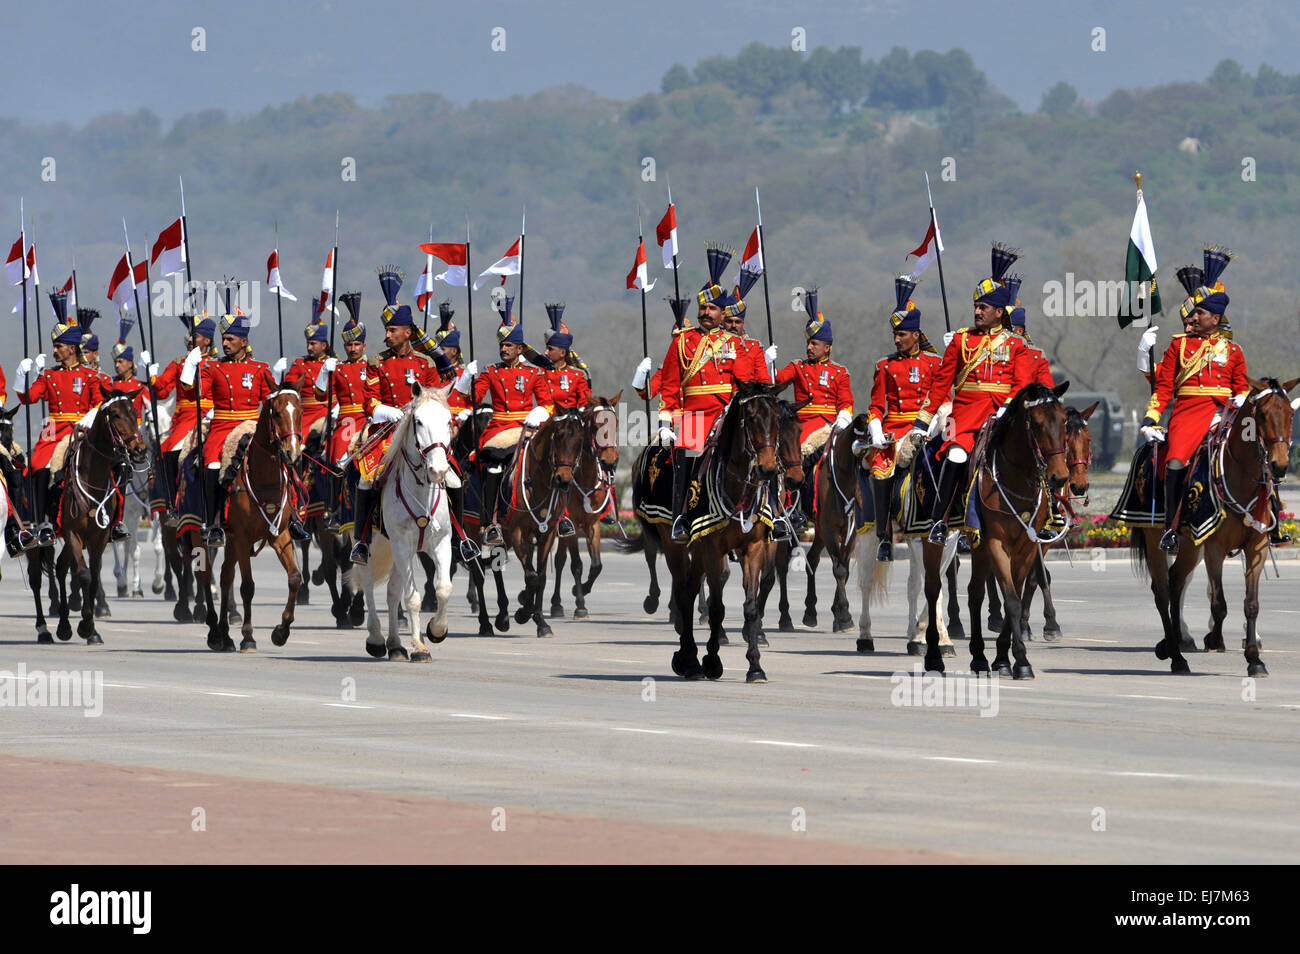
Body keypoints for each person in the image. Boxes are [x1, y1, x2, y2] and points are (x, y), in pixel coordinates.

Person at [913, 243, 1035, 546]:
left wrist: (1008, 406)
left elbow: (1021, 383)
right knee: (955, 454)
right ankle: (941, 520)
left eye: (983, 307)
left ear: (998, 312)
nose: (977, 312)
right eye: (976, 307)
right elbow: (941, 383)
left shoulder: (1016, 344)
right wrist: (921, 421)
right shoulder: (961, 340)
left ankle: (1048, 515)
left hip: (1001, 417)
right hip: (965, 418)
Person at [1140, 248, 1249, 552]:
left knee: (1259, 452)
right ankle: (1171, 529)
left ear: (1216, 318)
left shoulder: (1233, 350)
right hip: (1187, 414)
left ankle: (1266, 519)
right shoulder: (1179, 347)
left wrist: (1240, 401)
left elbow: (1241, 385)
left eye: (1200, 313)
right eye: (1193, 313)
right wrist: (1151, 419)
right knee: (1175, 463)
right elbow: (1163, 388)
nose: (1193, 317)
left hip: (1225, 414)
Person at [656, 245, 760, 541]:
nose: (705, 313)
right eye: (702, 308)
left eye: (712, 308)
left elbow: (743, 384)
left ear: (722, 312)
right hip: (693, 415)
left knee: (763, 451)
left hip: (726, 414)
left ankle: (768, 512)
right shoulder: (682, 343)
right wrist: (667, 424)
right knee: (683, 454)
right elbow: (670, 388)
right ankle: (681, 518)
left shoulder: (735, 344)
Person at [180, 313, 308, 547]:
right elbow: (195, 392)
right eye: (224, 339)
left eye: (230, 339)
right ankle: (214, 522)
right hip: (221, 428)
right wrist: (191, 367)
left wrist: (279, 387)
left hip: (250, 425)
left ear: (243, 341)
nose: (225, 344)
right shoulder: (213, 368)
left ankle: (295, 516)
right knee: (212, 464)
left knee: (286, 456)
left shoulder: (259, 369)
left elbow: (271, 403)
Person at [349, 283, 442, 564]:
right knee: (367, 480)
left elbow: (437, 399)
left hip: (420, 433)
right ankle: (362, 542)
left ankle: (462, 538)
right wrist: (384, 411)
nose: (387, 335)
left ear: (407, 333)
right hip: (388, 433)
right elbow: (369, 400)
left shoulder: (425, 364)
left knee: (452, 476)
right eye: (387, 330)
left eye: (392, 331)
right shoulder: (378, 362)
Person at [455, 298, 553, 547]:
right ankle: (489, 524)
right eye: (502, 344)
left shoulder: (534, 374)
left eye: (509, 345)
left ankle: (559, 515)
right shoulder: (491, 372)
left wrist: (540, 412)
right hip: (498, 430)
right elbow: (473, 399)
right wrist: (467, 380)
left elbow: (548, 403)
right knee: (493, 467)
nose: (504, 349)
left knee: (557, 459)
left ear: (520, 349)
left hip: (527, 427)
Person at [14, 318, 118, 546]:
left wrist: (86, 422)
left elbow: (99, 405)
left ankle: (114, 519)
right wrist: (22, 376)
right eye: (55, 346)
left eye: (59, 346)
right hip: (53, 431)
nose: (55, 351)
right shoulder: (48, 376)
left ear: (72, 348)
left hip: (81, 430)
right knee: (38, 466)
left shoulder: (90, 376)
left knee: (113, 463)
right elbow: (28, 398)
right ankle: (39, 524)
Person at [863, 277, 939, 561]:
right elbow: (874, 405)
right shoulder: (884, 365)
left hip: (925, 427)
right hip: (894, 431)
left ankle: (954, 524)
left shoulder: (934, 363)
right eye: (895, 334)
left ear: (916, 335)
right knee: (880, 470)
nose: (896, 339)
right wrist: (876, 429)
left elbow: (942, 400)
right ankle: (884, 536)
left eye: (903, 334)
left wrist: (928, 427)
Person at [151, 314, 218, 522]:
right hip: (187, 417)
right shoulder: (179, 363)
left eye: (195, 336)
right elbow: (162, 391)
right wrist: (151, 376)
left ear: (207, 340)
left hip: (212, 416)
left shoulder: (217, 364)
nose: (190, 340)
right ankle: (171, 504)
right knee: (166, 451)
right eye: (190, 336)